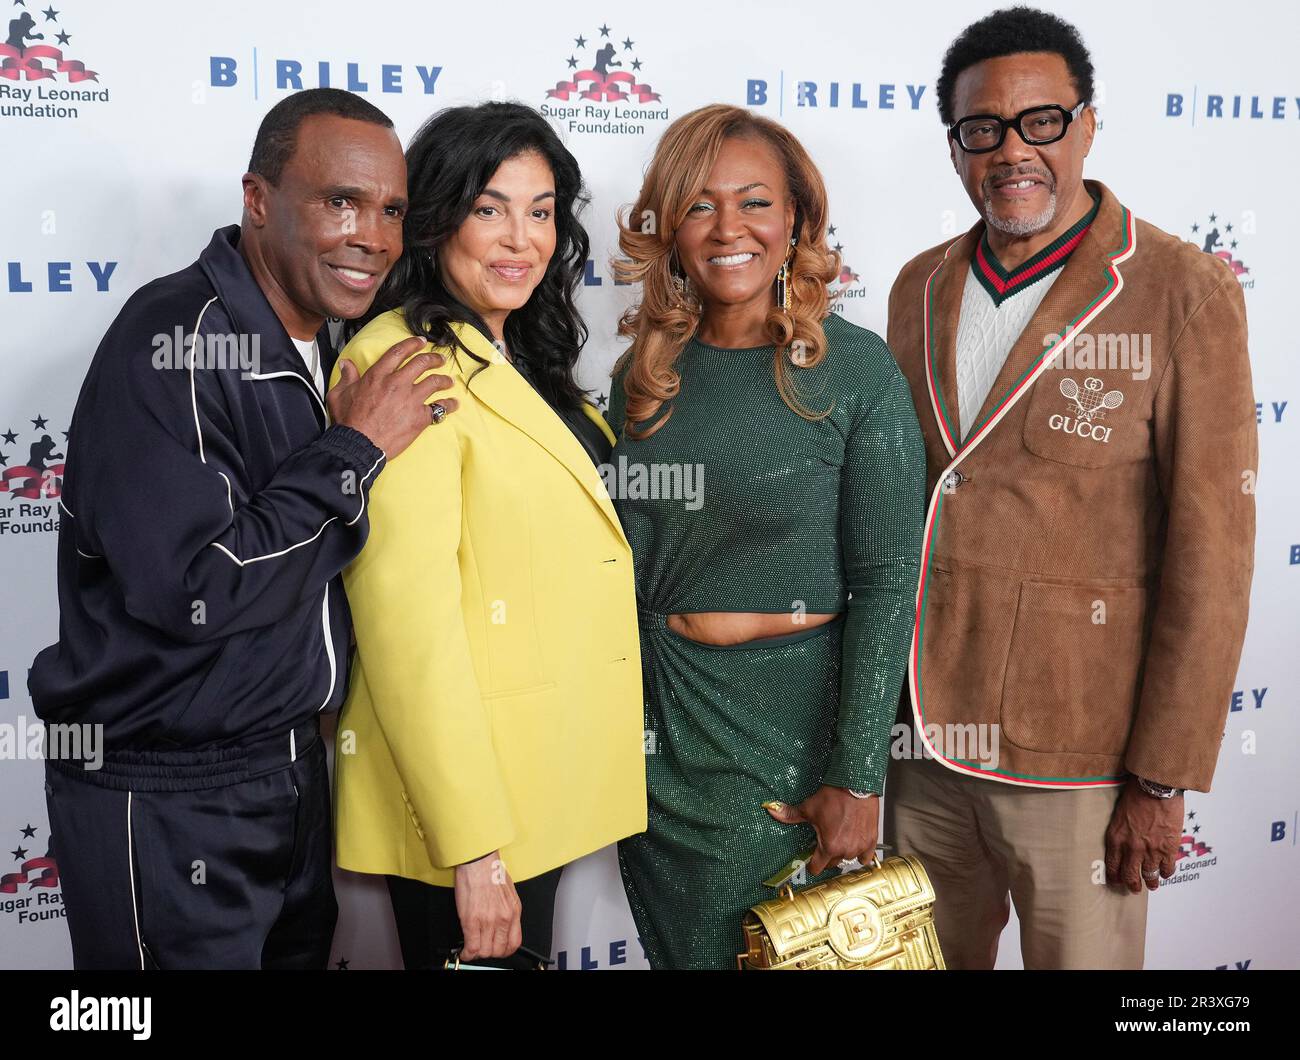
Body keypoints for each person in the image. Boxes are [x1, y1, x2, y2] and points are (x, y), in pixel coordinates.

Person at [28, 88, 456, 970]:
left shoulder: (326, 344)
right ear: (258, 201)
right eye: (340, 200)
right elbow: (196, 587)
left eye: (389, 211)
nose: (371, 235)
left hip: (288, 773)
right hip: (167, 790)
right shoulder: (172, 339)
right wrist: (353, 450)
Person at [883, 7, 1256, 969]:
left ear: (1088, 124)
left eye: (1041, 120)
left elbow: (1212, 555)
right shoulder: (915, 286)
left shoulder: (1183, 288)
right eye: (984, 129)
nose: (1014, 151)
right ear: (956, 146)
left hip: (1080, 765)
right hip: (920, 749)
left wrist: (1161, 781)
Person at [608, 104, 927, 969]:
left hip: (793, 743)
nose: (728, 229)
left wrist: (859, 772)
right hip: (664, 745)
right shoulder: (642, 378)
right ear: (670, 227)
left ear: (796, 221)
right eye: (699, 205)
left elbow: (890, 580)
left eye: (754, 202)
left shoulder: (855, 371)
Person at [332, 101, 646, 969]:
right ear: (436, 221)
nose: (521, 239)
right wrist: (472, 849)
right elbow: (408, 629)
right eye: (490, 208)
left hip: (535, 785)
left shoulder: (519, 358)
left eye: (540, 211)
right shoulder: (400, 364)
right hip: (470, 812)